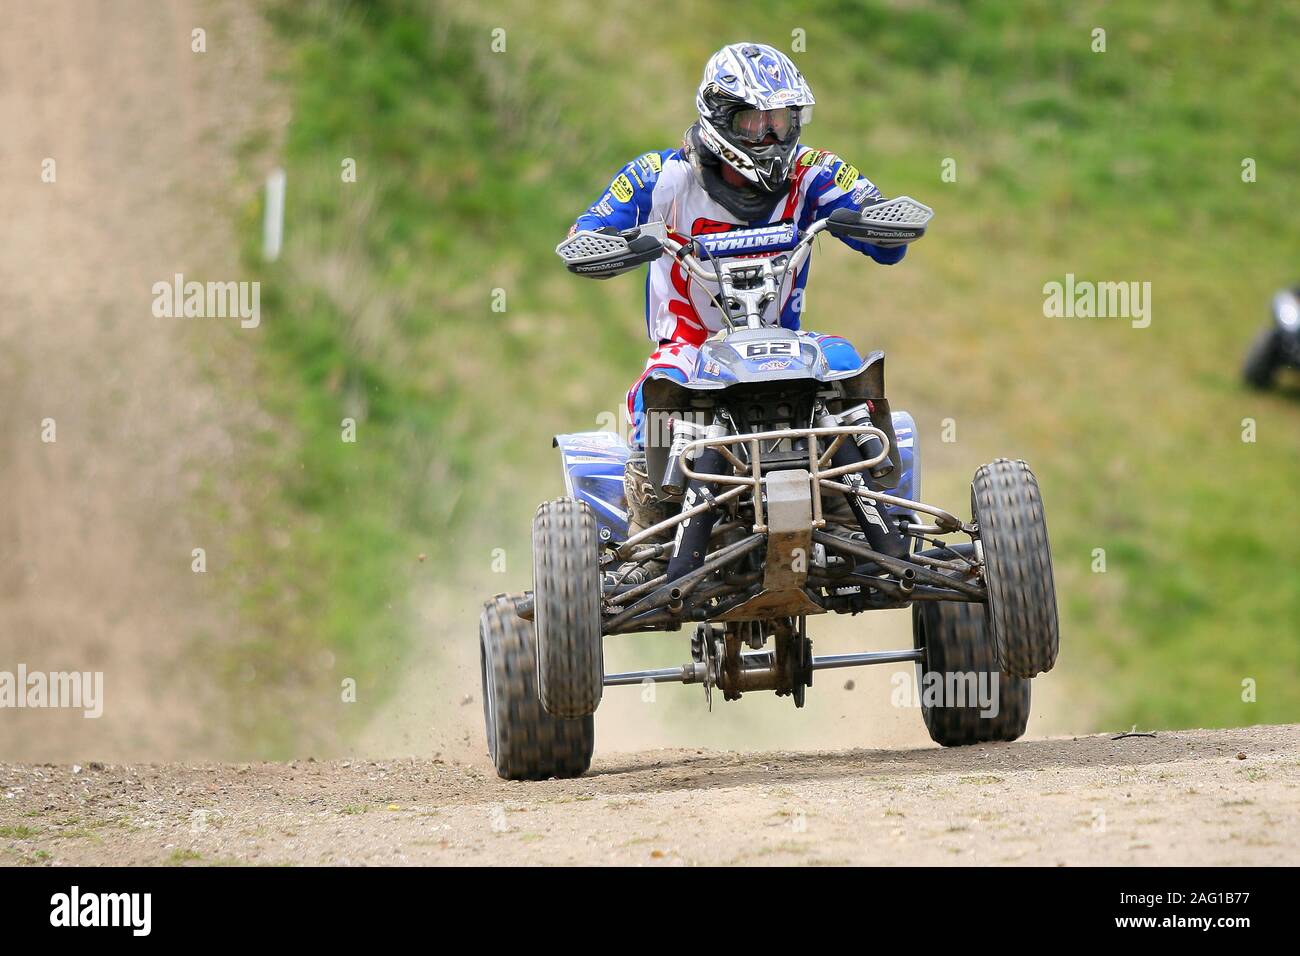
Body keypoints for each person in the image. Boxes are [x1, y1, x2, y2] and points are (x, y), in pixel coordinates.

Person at [565, 42, 911, 584]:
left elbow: (887, 236)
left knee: (845, 361)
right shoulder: (661, 177)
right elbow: (586, 236)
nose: (773, 136)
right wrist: (615, 244)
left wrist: (875, 221)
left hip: (782, 348)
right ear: (721, 117)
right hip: (690, 350)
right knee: (659, 388)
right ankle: (655, 525)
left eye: (783, 120)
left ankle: (857, 507)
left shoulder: (813, 172)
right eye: (757, 121)